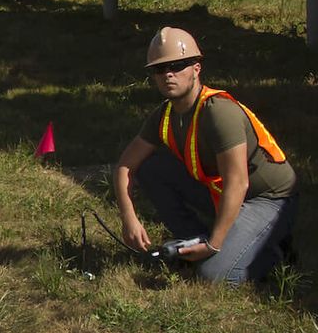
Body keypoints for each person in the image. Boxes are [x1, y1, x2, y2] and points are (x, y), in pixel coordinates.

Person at [112, 26, 299, 285]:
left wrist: (214, 244)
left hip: (265, 197)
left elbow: (238, 182)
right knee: (150, 167)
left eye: (178, 65)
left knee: (213, 276)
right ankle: (196, 242)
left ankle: (272, 251)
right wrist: (128, 218)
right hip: (222, 191)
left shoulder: (218, 112)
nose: (168, 74)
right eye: (159, 69)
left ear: (197, 68)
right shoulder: (164, 114)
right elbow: (125, 166)